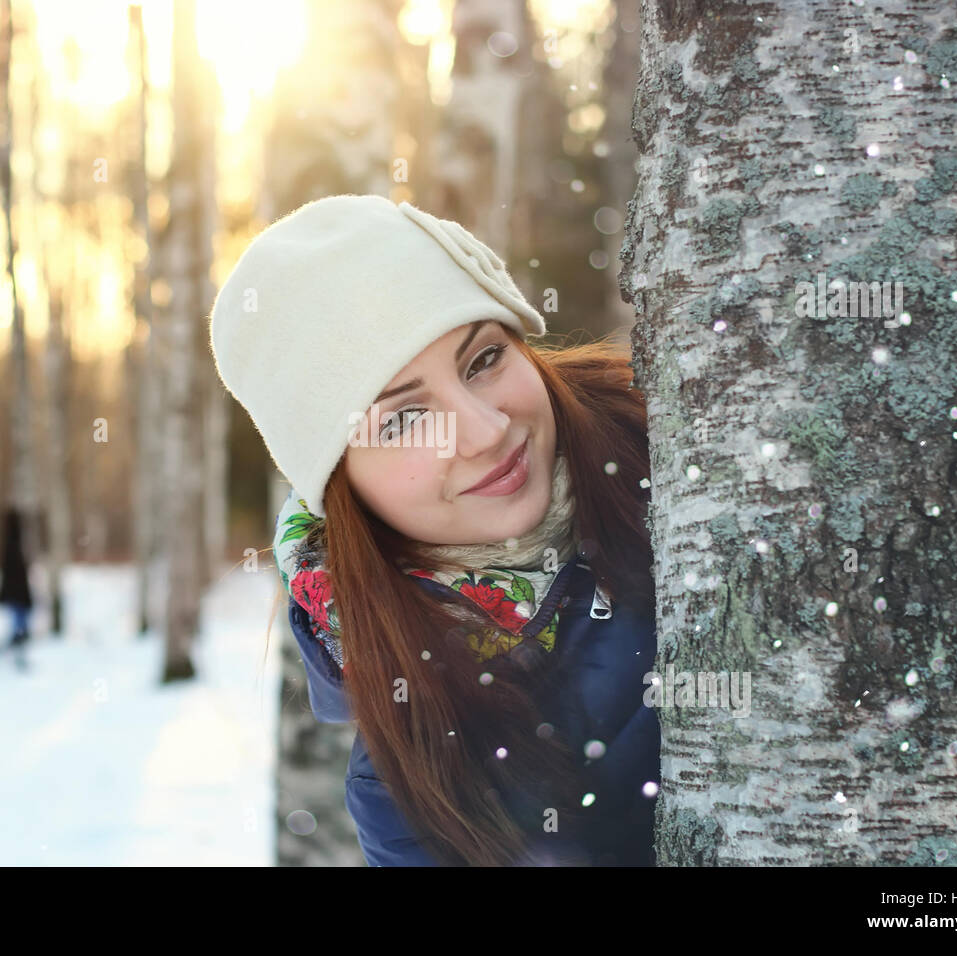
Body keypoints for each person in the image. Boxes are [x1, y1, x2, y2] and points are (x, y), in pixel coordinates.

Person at [210, 194, 659, 866]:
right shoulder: (417, 789)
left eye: (482, 360)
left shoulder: (684, 443)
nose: (485, 432)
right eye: (402, 420)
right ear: (342, 486)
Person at [0, 506, 34, 671]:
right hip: (19, 595)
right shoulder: (14, 544)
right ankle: (15, 658)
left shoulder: (9, 542)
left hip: (16, 595)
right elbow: (13, 571)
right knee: (19, 629)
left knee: (19, 628)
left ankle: (12, 655)